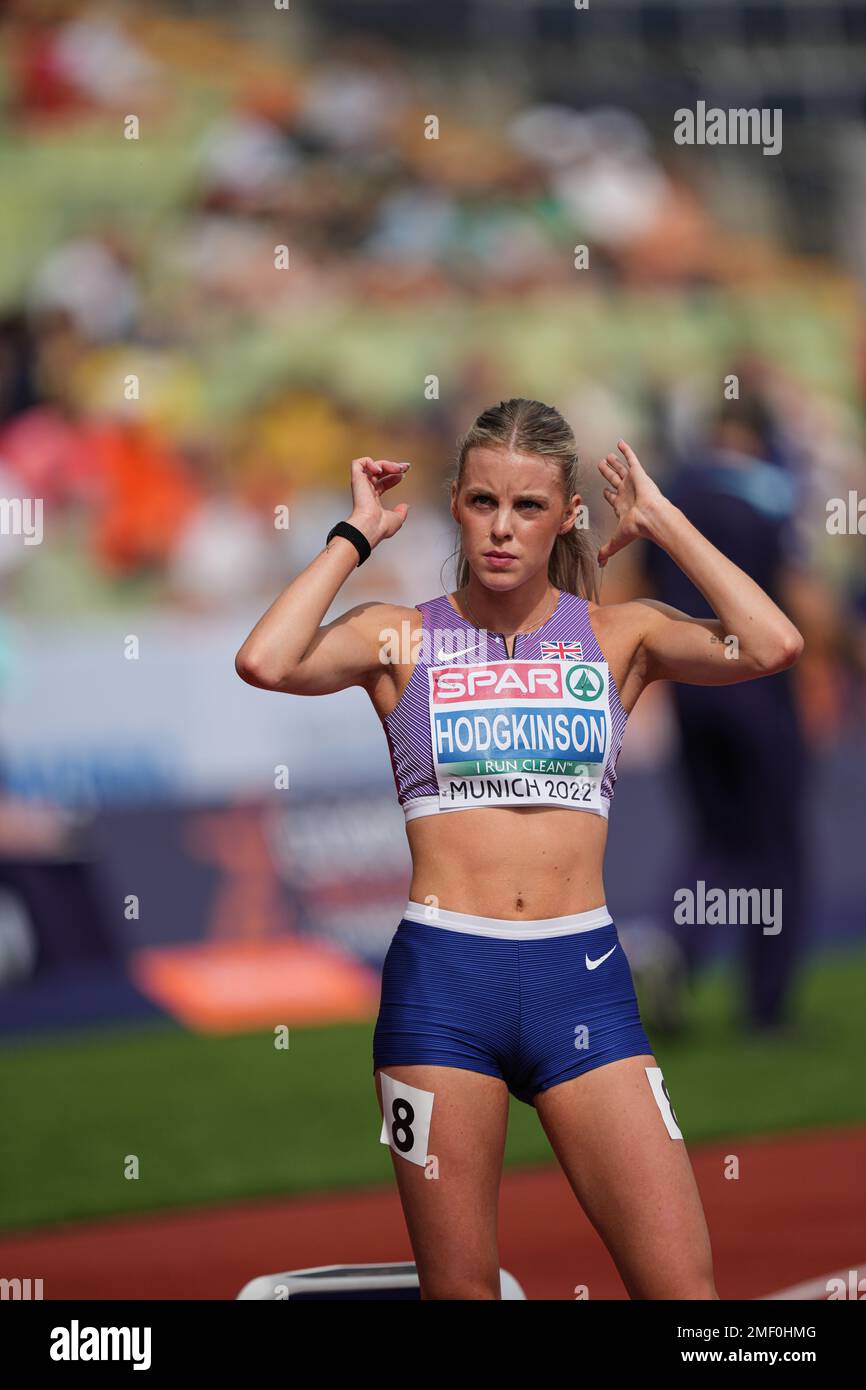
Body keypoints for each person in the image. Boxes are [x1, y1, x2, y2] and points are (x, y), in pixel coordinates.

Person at [235, 397, 803, 1300]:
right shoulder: (401, 637)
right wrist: (355, 535)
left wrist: (662, 519)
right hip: (442, 990)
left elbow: (774, 642)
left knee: (686, 1297)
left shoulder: (622, 636)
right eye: (482, 503)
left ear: (569, 514)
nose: (502, 529)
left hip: (585, 984)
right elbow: (266, 660)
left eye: (529, 507)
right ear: (455, 505)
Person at [640, 402, 811, 1033]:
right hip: (760, 693)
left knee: (715, 837)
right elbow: (797, 603)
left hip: (691, 688)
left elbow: (638, 589)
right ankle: (767, 1008)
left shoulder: (674, 498)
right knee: (776, 848)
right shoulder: (766, 498)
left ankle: (676, 946)